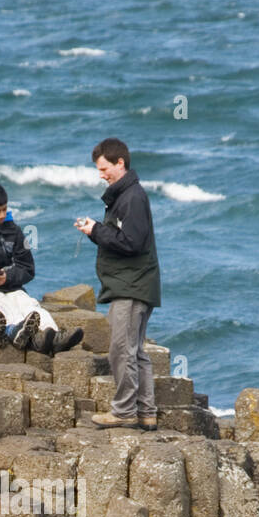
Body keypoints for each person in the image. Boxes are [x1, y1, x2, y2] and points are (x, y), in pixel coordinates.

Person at [74, 138, 161, 429]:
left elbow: (132, 243)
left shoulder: (132, 197)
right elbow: (126, 238)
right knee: (136, 351)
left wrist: (97, 230)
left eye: (104, 168)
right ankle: (147, 412)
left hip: (132, 286)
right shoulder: (126, 196)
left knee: (121, 350)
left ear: (120, 163)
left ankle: (124, 412)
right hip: (136, 284)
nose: (101, 174)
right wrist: (95, 231)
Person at [0, 184, 84, 355]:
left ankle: (54, 335)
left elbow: (28, 268)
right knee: (4, 307)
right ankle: (31, 338)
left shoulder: (14, 231)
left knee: (30, 305)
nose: (2, 215)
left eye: (5, 210)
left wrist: (7, 277)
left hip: (12, 286)